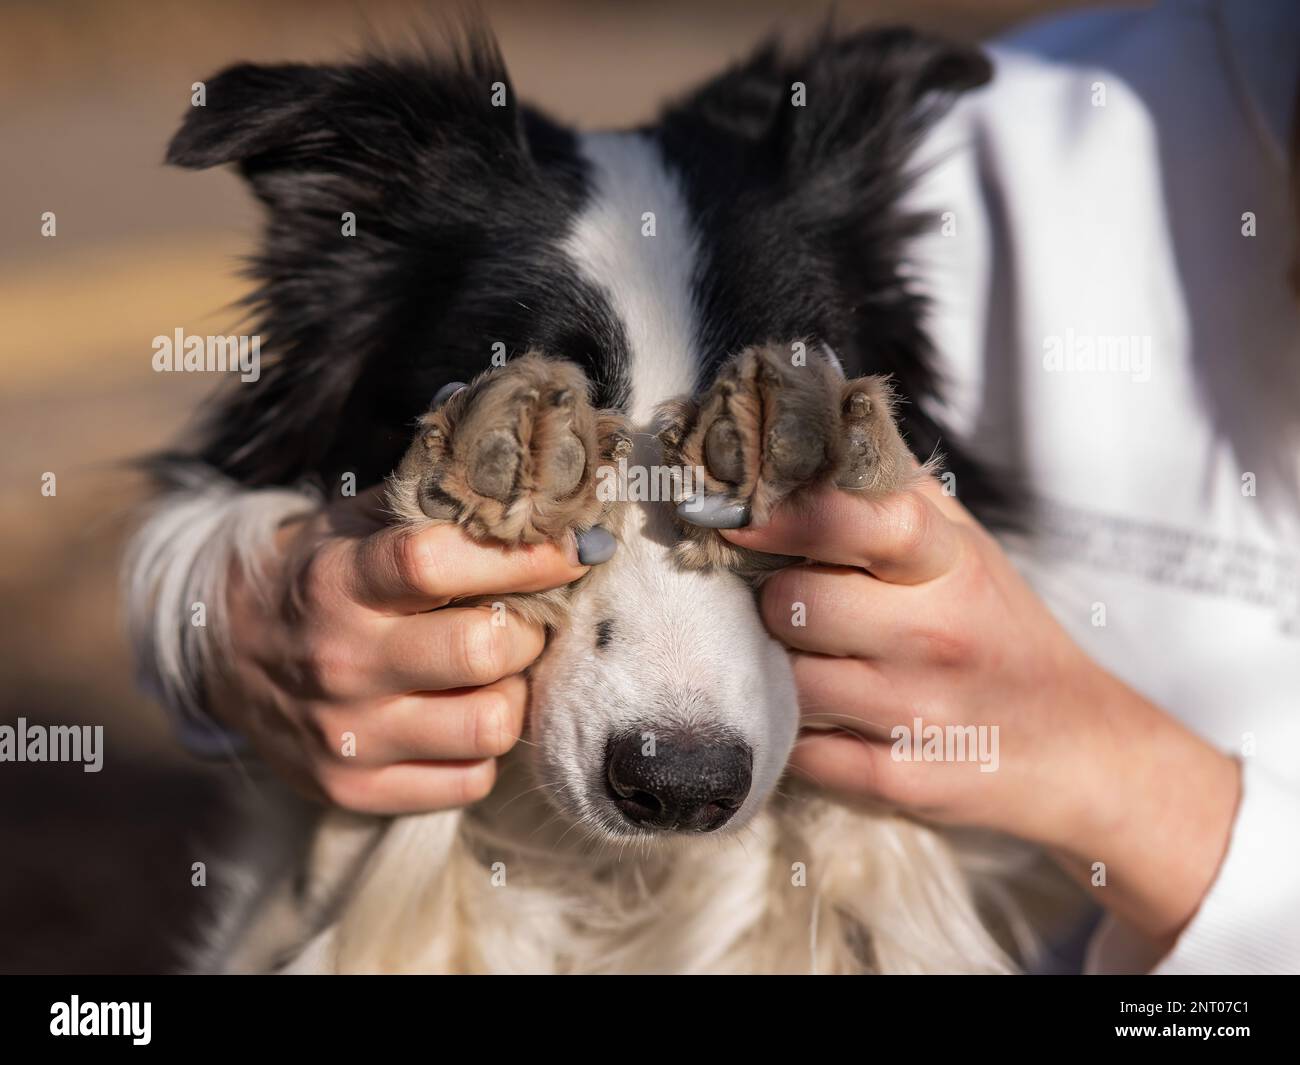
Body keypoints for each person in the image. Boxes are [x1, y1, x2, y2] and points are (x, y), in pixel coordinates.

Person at [132, 0, 1300, 974]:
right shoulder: (1005, 137)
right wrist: (236, 619)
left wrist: (1115, 780)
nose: (685, 715)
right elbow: (246, 490)